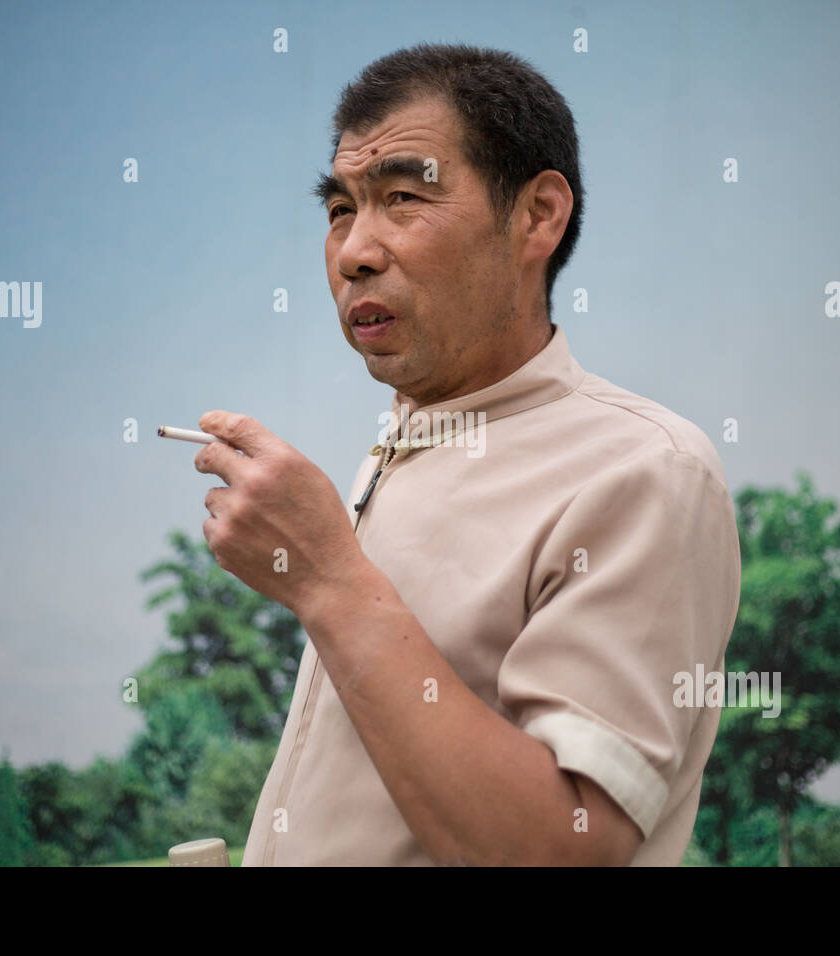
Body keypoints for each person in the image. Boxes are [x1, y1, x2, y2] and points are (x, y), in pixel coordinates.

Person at [194, 43, 741, 866]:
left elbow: (565, 847)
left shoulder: (645, 469)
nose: (354, 251)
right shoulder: (402, 448)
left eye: (404, 197)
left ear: (538, 215)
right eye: (341, 208)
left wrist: (328, 582)